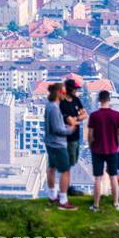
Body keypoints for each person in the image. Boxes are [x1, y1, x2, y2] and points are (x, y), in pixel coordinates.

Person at [87, 90, 119, 212]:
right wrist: (117, 146)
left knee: (98, 178)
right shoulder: (117, 115)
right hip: (112, 149)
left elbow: (90, 135)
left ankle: (96, 205)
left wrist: (90, 146)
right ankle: (116, 203)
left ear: (99, 100)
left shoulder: (94, 116)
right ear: (109, 100)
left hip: (97, 150)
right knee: (113, 177)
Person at [44, 82, 78, 210]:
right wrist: (70, 129)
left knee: (51, 167)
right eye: (63, 93)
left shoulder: (49, 106)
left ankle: (52, 196)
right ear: (58, 93)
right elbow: (58, 128)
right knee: (65, 170)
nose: (65, 95)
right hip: (58, 144)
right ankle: (63, 201)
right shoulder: (54, 108)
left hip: (50, 142)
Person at [60, 78, 87, 193]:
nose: (77, 91)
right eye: (75, 89)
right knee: (67, 164)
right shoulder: (63, 103)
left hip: (76, 136)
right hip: (66, 138)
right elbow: (68, 120)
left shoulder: (76, 100)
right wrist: (76, 119)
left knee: (73, 162)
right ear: (70, 89)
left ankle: (67, 186)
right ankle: (66, 188)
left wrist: (75, 119)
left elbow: (84, 114)